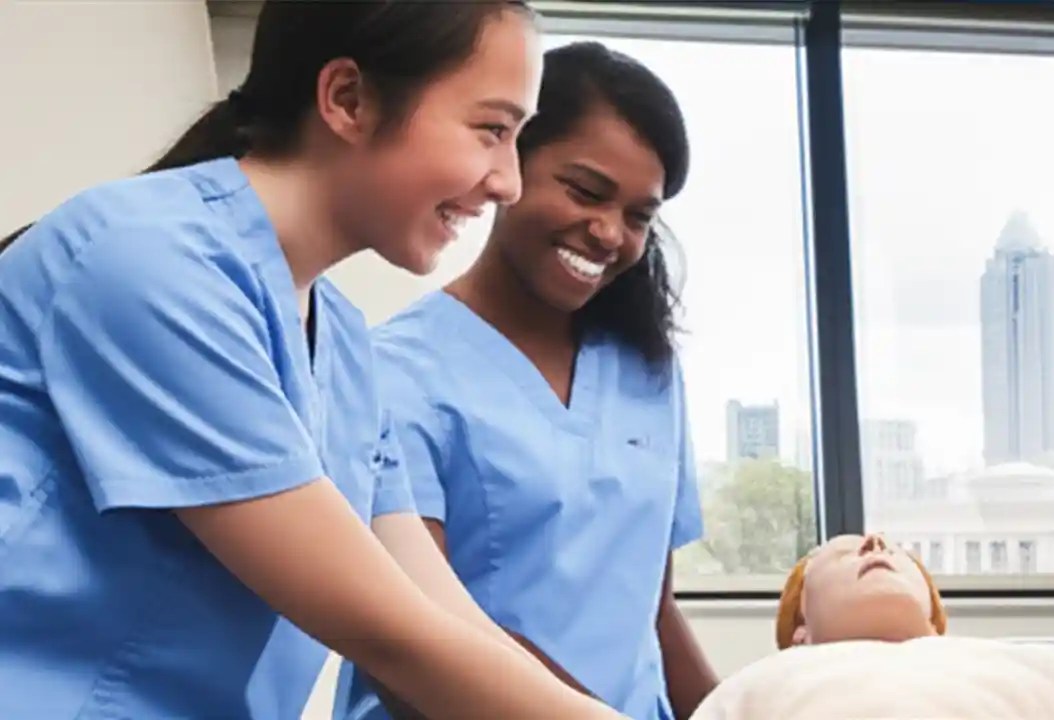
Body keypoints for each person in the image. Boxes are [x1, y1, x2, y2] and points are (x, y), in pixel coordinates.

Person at [0, 3, 623, 719]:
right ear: (347, 100)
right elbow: (392, 635)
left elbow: (448, 624)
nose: (508, 181)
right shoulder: (145, 261)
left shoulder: (349, 353)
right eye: (491, 131)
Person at [335, 41, 718, 720]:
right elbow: (408, 638)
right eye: (585, 190)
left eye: (639, 216)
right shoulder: (394, 371)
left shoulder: (648, 370)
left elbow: (650, 613)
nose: (609, 233)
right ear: (508, 167)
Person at [691, 534, 1054, 720]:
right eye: (843, 552)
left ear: (935, 619)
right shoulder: (761, 683)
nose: (874, 543)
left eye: (896, 552)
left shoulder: (1024, 667)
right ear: (800, 631)